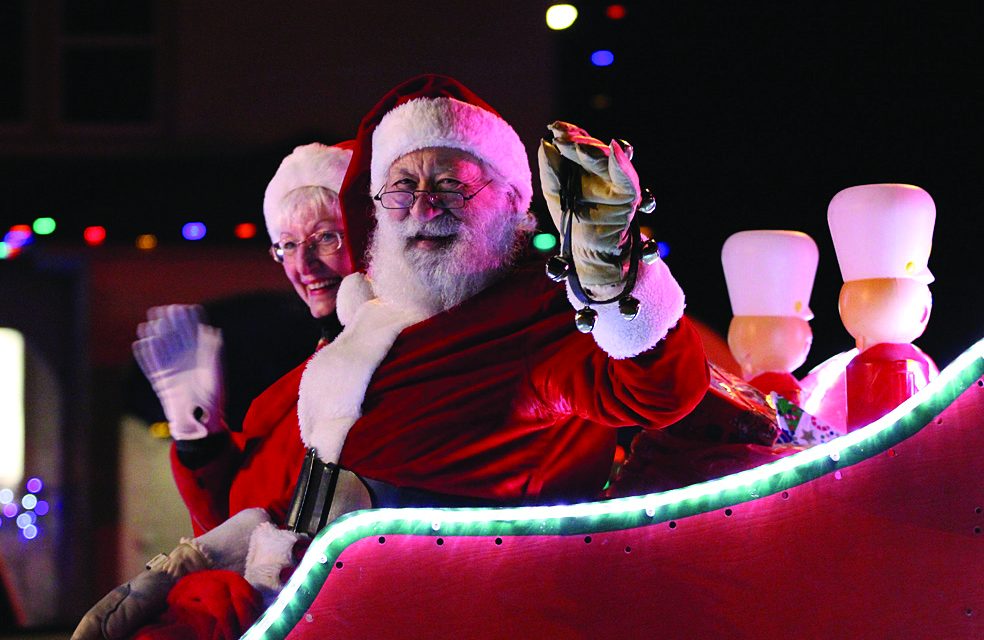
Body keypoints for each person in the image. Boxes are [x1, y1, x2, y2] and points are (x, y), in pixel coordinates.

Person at [74, 74, 708, 639]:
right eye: (401, 187)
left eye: (453, 185)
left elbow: (659, 387)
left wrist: (614, 278)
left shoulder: (535, 322)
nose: (424, 205)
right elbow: (279, 507)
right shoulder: (365, 335)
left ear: (514, 203)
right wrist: (191, 558)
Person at [132, 143, 356, 536]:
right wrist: (199, 441)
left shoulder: (392, 366)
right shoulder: (289, 394)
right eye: (287, 245)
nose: (303, 265)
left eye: (325, 237)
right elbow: (232, 529)